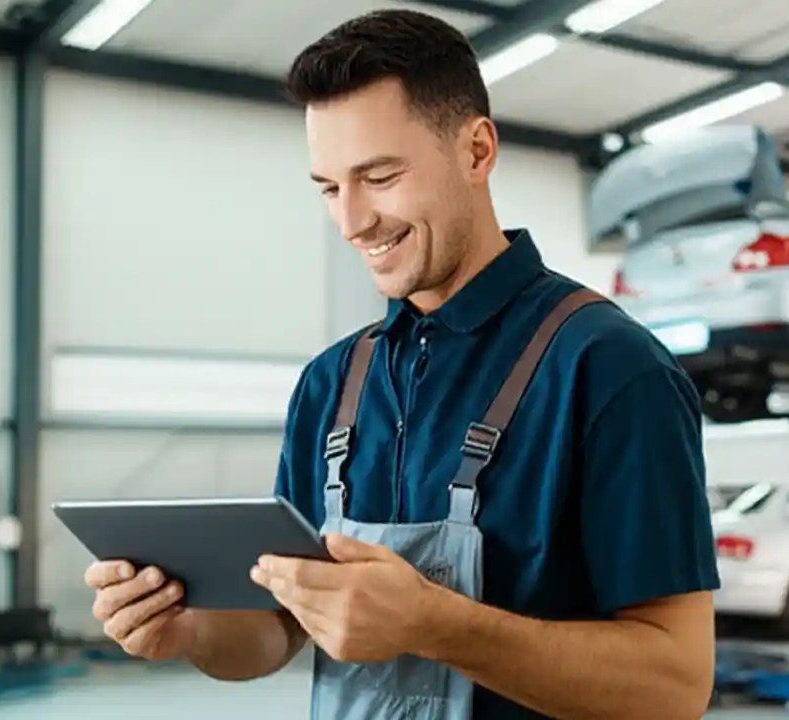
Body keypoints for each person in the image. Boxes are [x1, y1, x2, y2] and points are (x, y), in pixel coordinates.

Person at [84, 8, 720, 719]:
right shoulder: (332, 384)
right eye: (329, 187)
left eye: (379, 176)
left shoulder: (609, 369)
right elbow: (277, 628)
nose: (352, 221)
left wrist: (435, 623)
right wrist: (190, 630)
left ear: (477, 151)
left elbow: (675, 685)